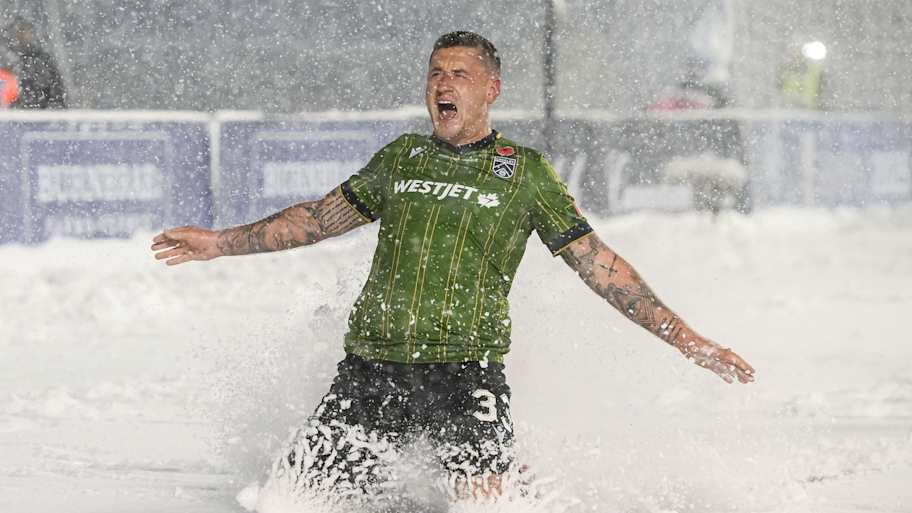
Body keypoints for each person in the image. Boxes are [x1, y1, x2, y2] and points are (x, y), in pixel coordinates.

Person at [151, 31, 755, 507]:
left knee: (487, 510)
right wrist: (221, 243)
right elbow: (317, 219)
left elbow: (601, 266)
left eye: (458, 74)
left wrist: (687, 340)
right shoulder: (401, 158)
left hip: (466, 379)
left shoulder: (525, 173)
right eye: (435, 73)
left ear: (490, 89)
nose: (443, 84)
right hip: (371, 373)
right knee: (287, 504)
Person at [2, 16, 66, 109]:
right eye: (19, 30)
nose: (22, 34)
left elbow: (56, 91)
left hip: (39, 115)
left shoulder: (42, 60)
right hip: (11, 116)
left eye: (26, 30)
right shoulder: (5, 60)